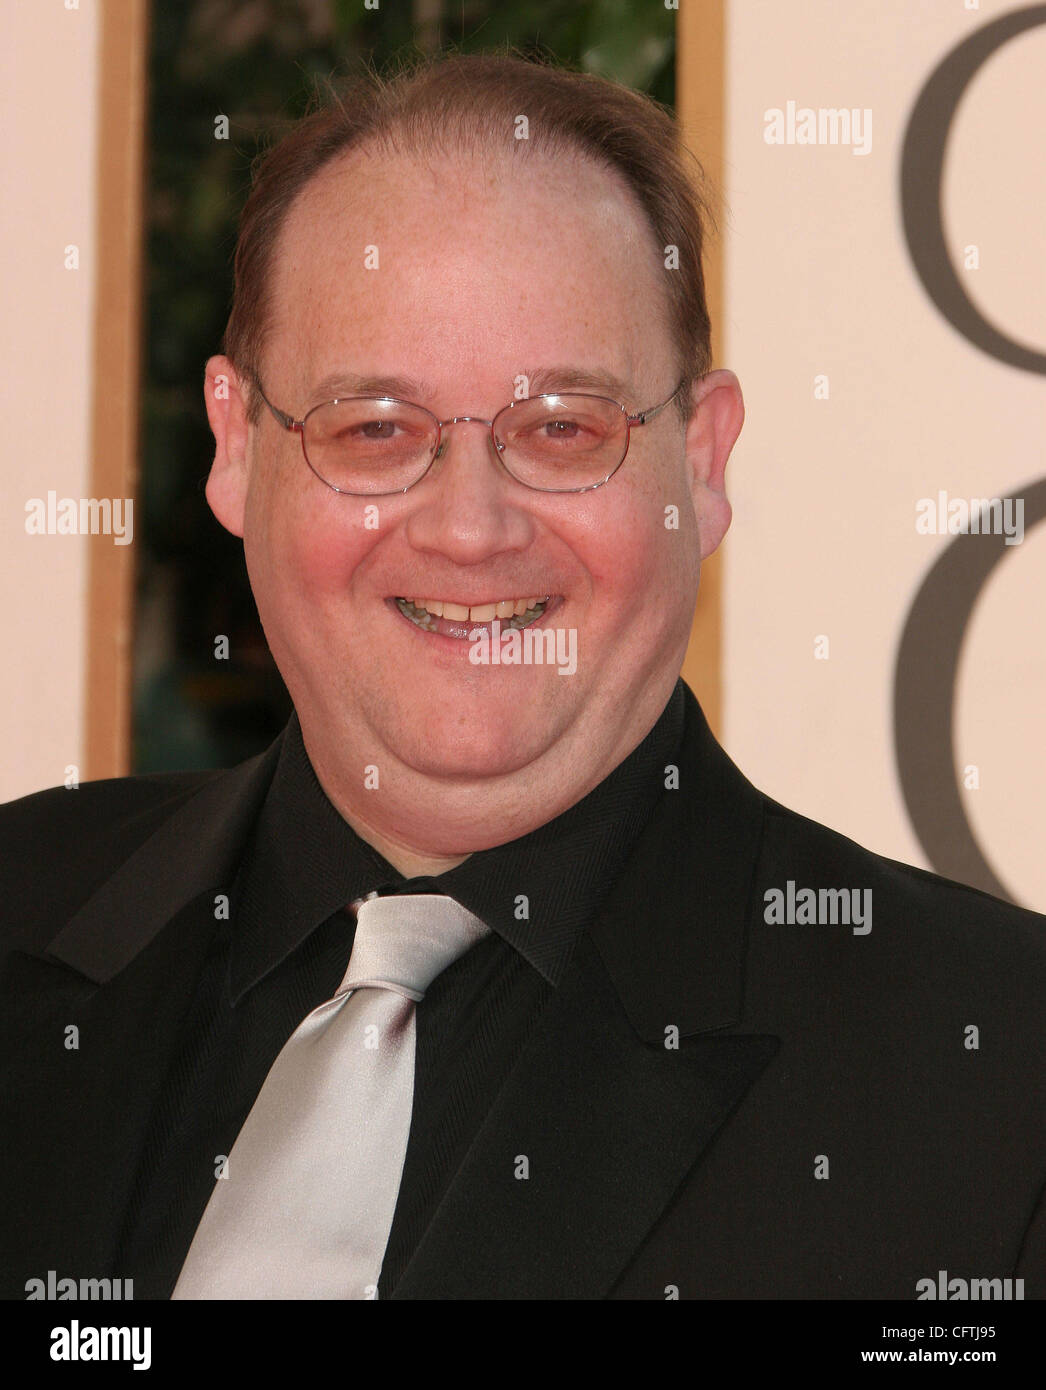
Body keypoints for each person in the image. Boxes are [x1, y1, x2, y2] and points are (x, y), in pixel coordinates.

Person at [2, 52, 1044, 1302]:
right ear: (234, 447)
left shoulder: (997, 1080)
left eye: (562, 427)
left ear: (701, 461)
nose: (470, 528)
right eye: (372, 427)